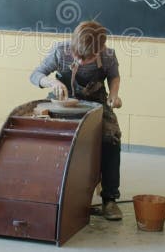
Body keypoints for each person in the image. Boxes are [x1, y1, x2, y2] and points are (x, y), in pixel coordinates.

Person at [29, 21, 124, 221]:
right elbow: (35, 75)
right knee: (47, 132)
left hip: (96, 103)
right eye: (78, 55)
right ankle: (47, 189)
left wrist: (114, 95)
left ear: (100, 49)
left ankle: (109, 199)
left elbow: (114, 77)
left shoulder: (107, 56)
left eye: (87, 58)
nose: (80, 61)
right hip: (62, 101)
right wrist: (51, 81)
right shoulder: (61, 51)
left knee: (111, 138)